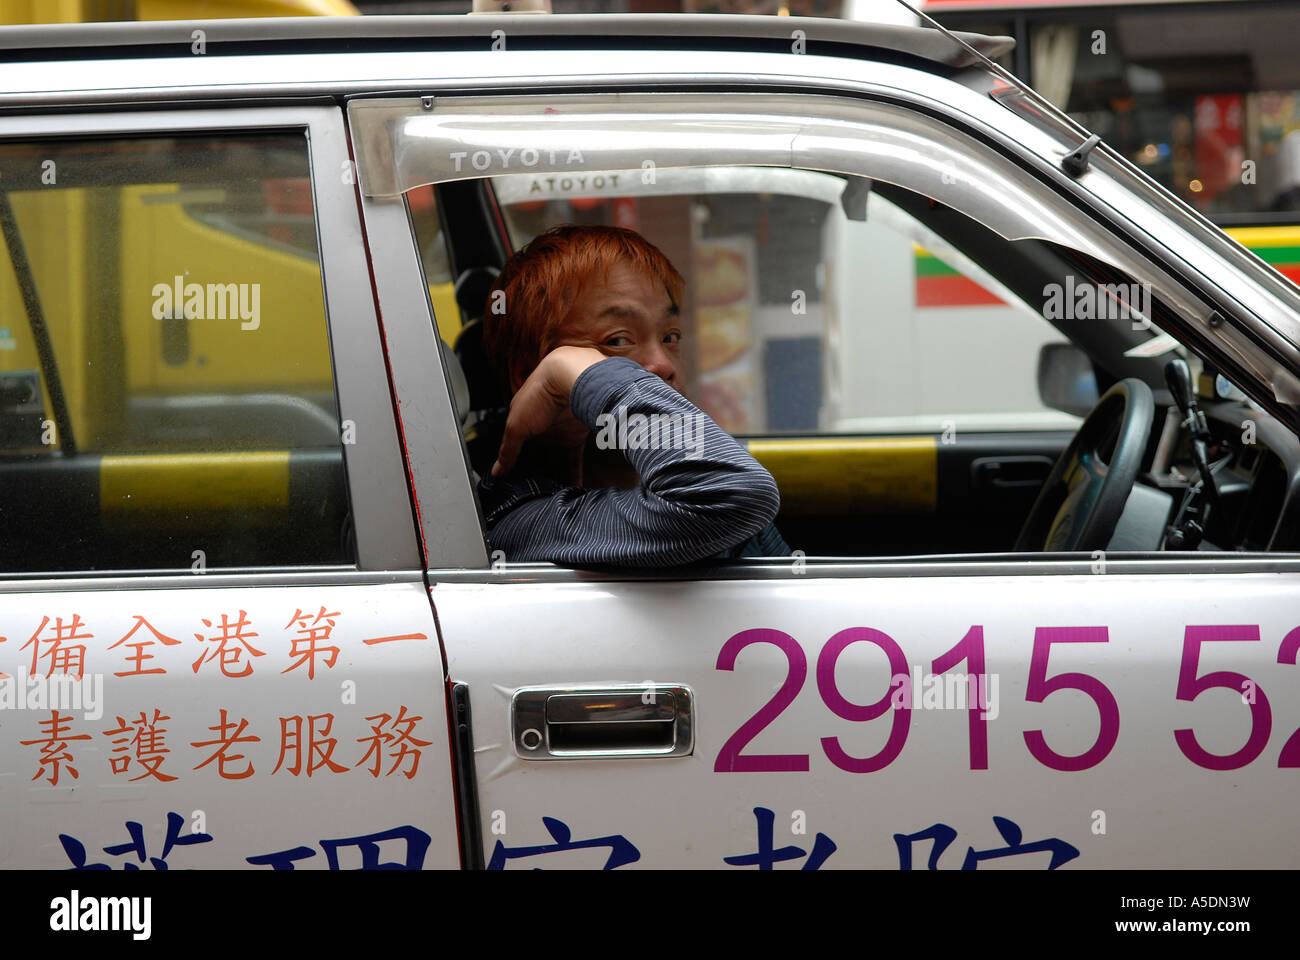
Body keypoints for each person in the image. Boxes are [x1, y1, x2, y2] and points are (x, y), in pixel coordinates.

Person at [477, 224, 791, 567]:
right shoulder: (524, 523)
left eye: (671, 337)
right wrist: (579, 372)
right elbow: (733, 493)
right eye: (616, 341)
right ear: (529, 376)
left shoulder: (675, 476)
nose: (663, 364)